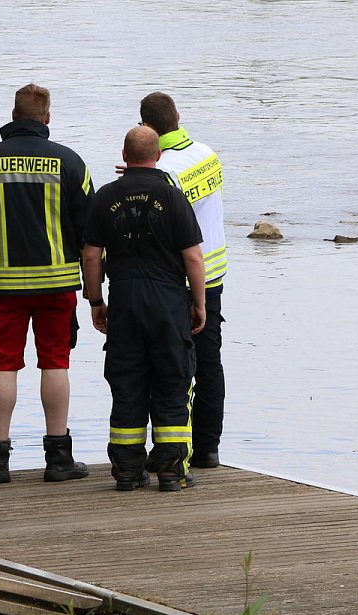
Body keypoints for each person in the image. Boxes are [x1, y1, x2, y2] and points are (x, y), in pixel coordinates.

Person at [0, 83, 95, 484]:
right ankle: (58, 458)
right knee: (55, 362)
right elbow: (91, 229)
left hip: (4, 285)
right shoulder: (69, 162)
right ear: (47, 118)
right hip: (58, 284)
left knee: (4, 365)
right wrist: (96, 283)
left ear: (13, 116)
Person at [82, 125, 206, 492]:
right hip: (168, 302)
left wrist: (95, 301)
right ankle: (171, 472)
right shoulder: (171, 197)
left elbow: (90, 255)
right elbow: (194, 258)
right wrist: (198, 304)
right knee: (172, 380)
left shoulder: (105, 197)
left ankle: (127, 471)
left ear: (124, 155)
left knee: (127, 383)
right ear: (158, 156)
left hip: (125, 300)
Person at [139, 92, 228, 469]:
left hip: (179, 278)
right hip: (214, 273)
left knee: (175, 364)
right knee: (210, 362)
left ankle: (174, 450)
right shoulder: (208, 154)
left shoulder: (164, 172)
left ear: (145, 127)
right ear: (178, 117)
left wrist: (139, 180)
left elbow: (158, 225)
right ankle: (208, 447)